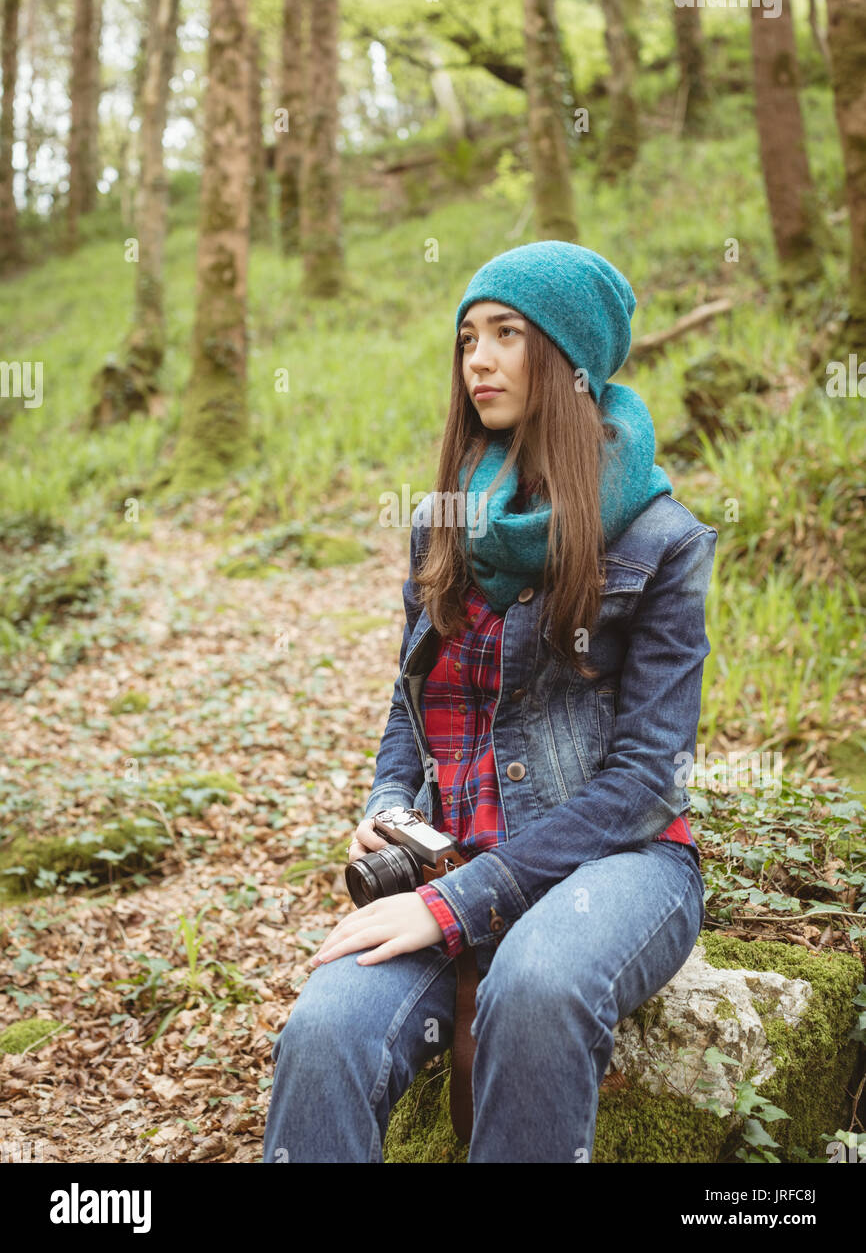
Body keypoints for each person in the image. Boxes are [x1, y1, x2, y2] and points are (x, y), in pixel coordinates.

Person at [262, 240, 716, 1164]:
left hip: (621, 863)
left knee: (539, 984)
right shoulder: (444, 522)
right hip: (449, 859)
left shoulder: (663, 541)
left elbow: (646, 780)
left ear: (570, 358)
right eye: (469, 335)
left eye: (509, 333)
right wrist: (388, 809)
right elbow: (408, 706)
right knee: (324, 1033)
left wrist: (458, 905)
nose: (479, 357)